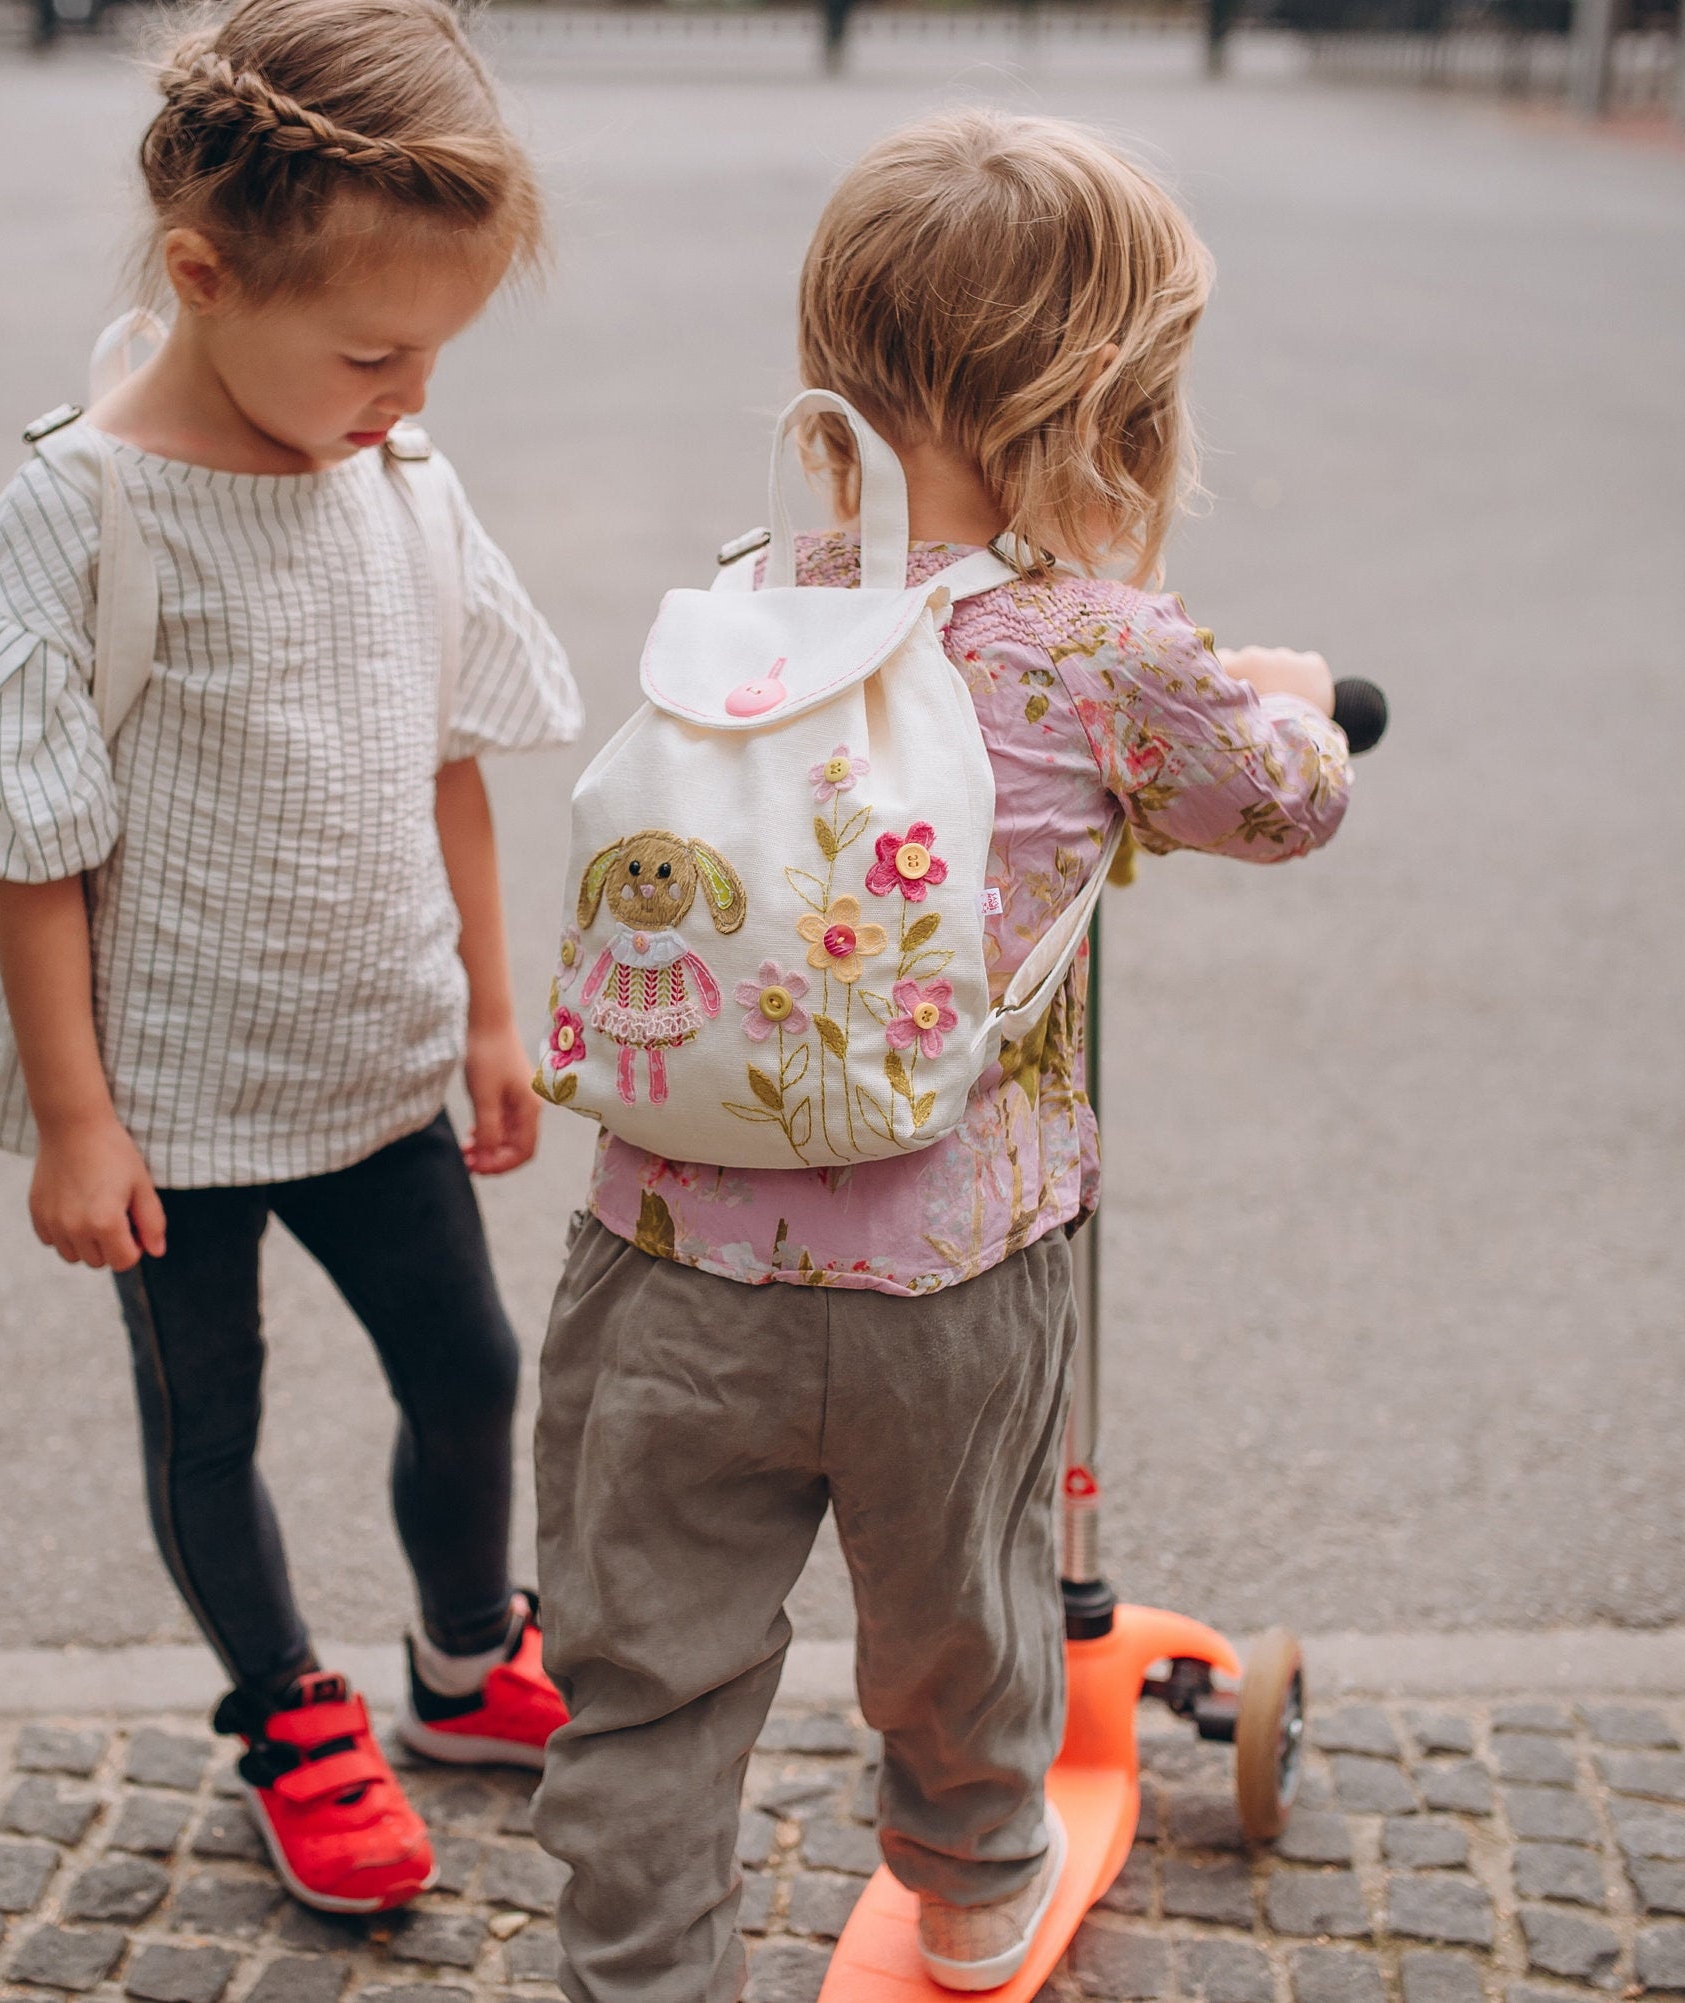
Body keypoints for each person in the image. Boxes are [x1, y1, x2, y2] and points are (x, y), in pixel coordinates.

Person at [529, 110, 1352, 2000]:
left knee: (644, 1668)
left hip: (665, 1262)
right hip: (949, 1284)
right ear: (1106, 398)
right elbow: (1278, 800)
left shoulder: (742, 596)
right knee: (958, 1610)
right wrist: (1287, 706)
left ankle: (642, 1977)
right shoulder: (1102, 650)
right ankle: (979, 1876)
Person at [0, 0, 581, 1916]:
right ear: (202, 274)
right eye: (371, 348)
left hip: (376, 1068)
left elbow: (449, 759)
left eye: (436, 347)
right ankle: (286, 1711)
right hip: (168, 1107)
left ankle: (458, 1660)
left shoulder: (397, 479)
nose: (408, 391)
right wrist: (74, 1126)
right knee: (215, 1421)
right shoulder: (89, 512)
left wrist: (493, 1016)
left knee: (471, 1370)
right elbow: (33, 850)